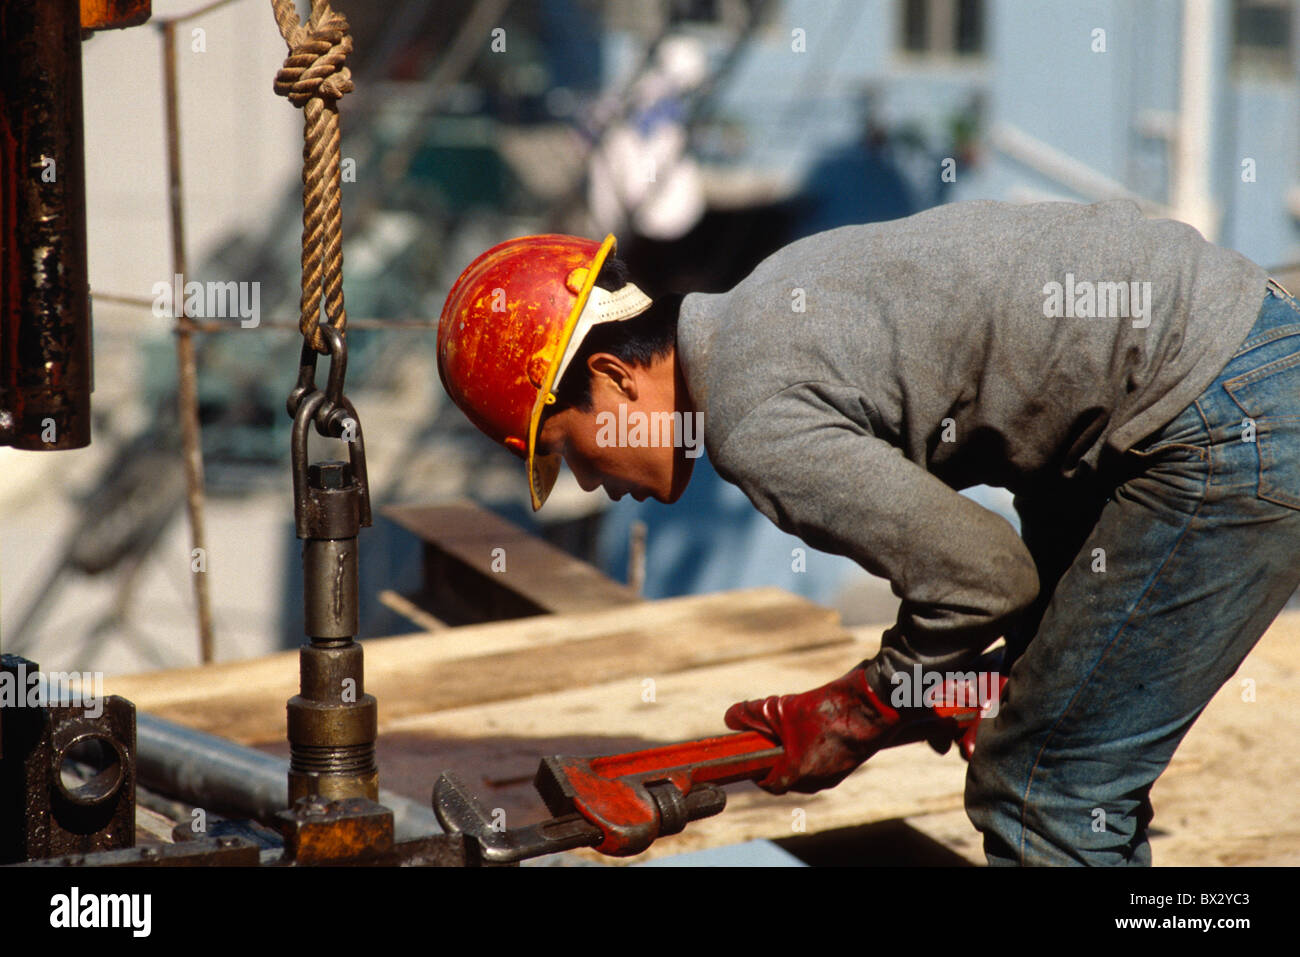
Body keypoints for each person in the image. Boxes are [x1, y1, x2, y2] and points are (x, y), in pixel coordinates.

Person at [436, 200, 1300, 865]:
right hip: (1221, 372)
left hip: (1218, 423)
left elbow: (985, 577)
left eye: (569, 451)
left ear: (614, 376)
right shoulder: (765, 307)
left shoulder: (747, 414)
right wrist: (931, 692)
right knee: (1045, 727)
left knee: (1046, 789)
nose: (593, 482)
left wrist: (865, 703)